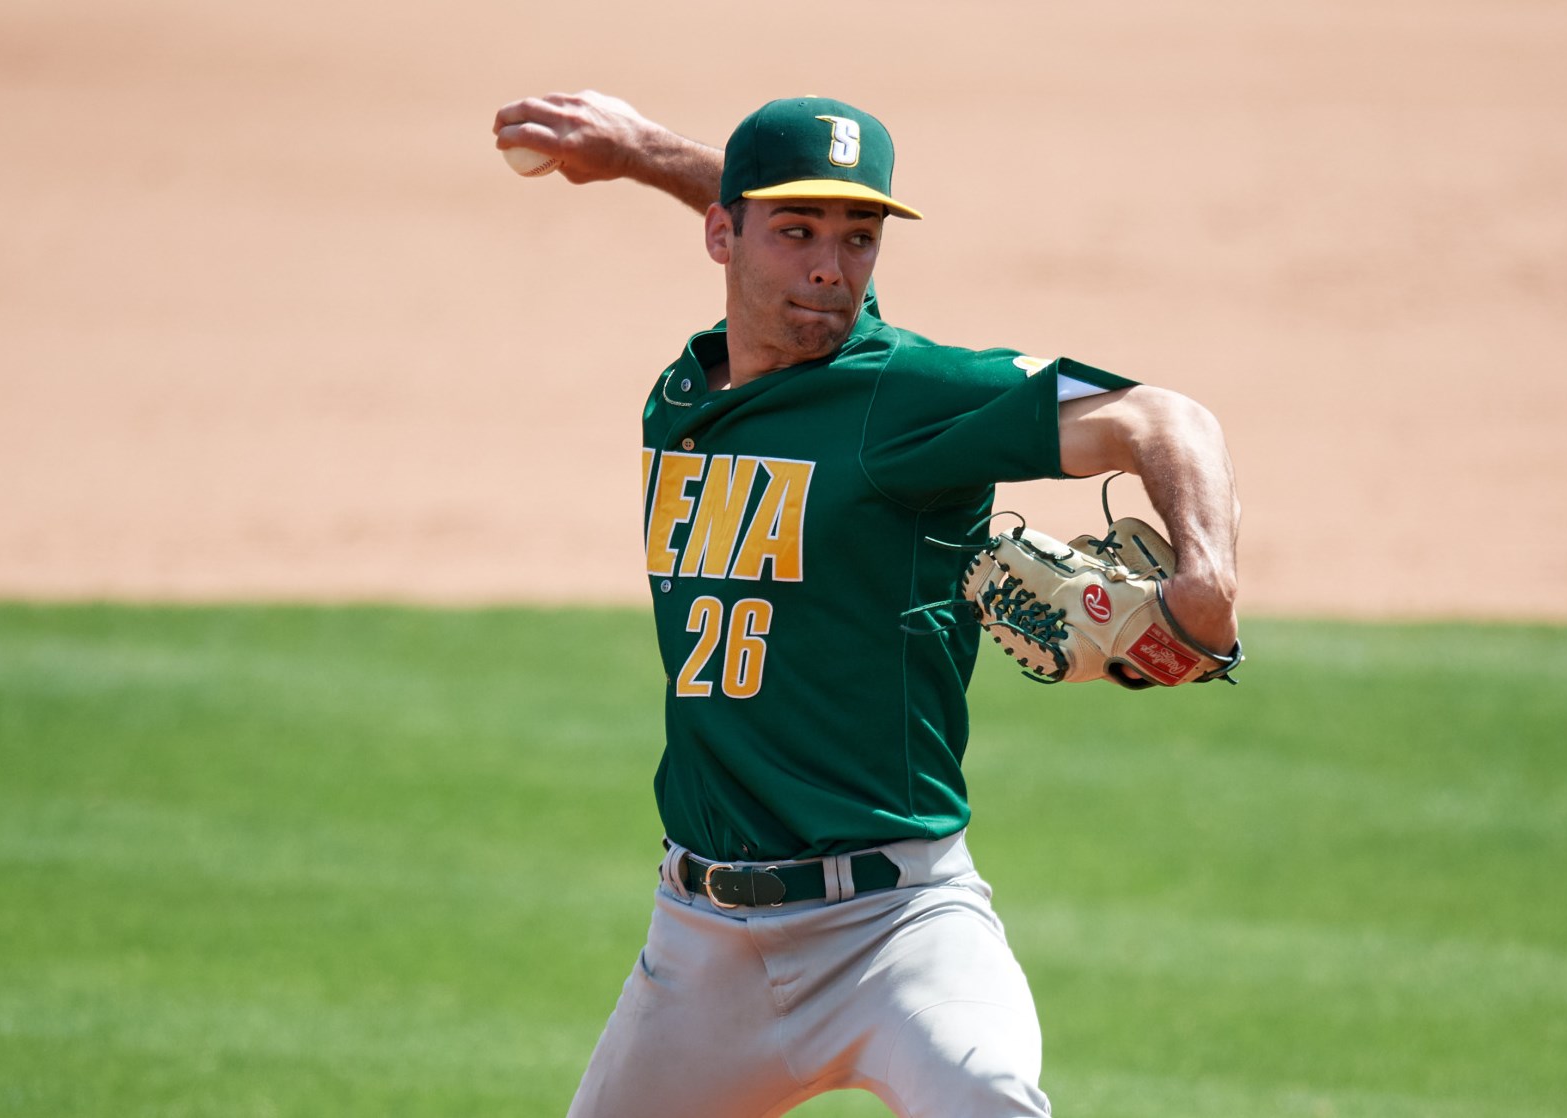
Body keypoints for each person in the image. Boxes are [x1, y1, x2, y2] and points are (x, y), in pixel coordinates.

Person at [493, 90, 1241, 1118]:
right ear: (721, 231)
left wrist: (1205, 574)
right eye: (798, 233)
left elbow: (1163, 418)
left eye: (860, 237)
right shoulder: (680, 395)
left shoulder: (907, 395)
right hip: (700, 948)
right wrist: (635, 152)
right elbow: (751, 204)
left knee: (989, 1096)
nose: (828, 268)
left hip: (898, 926)